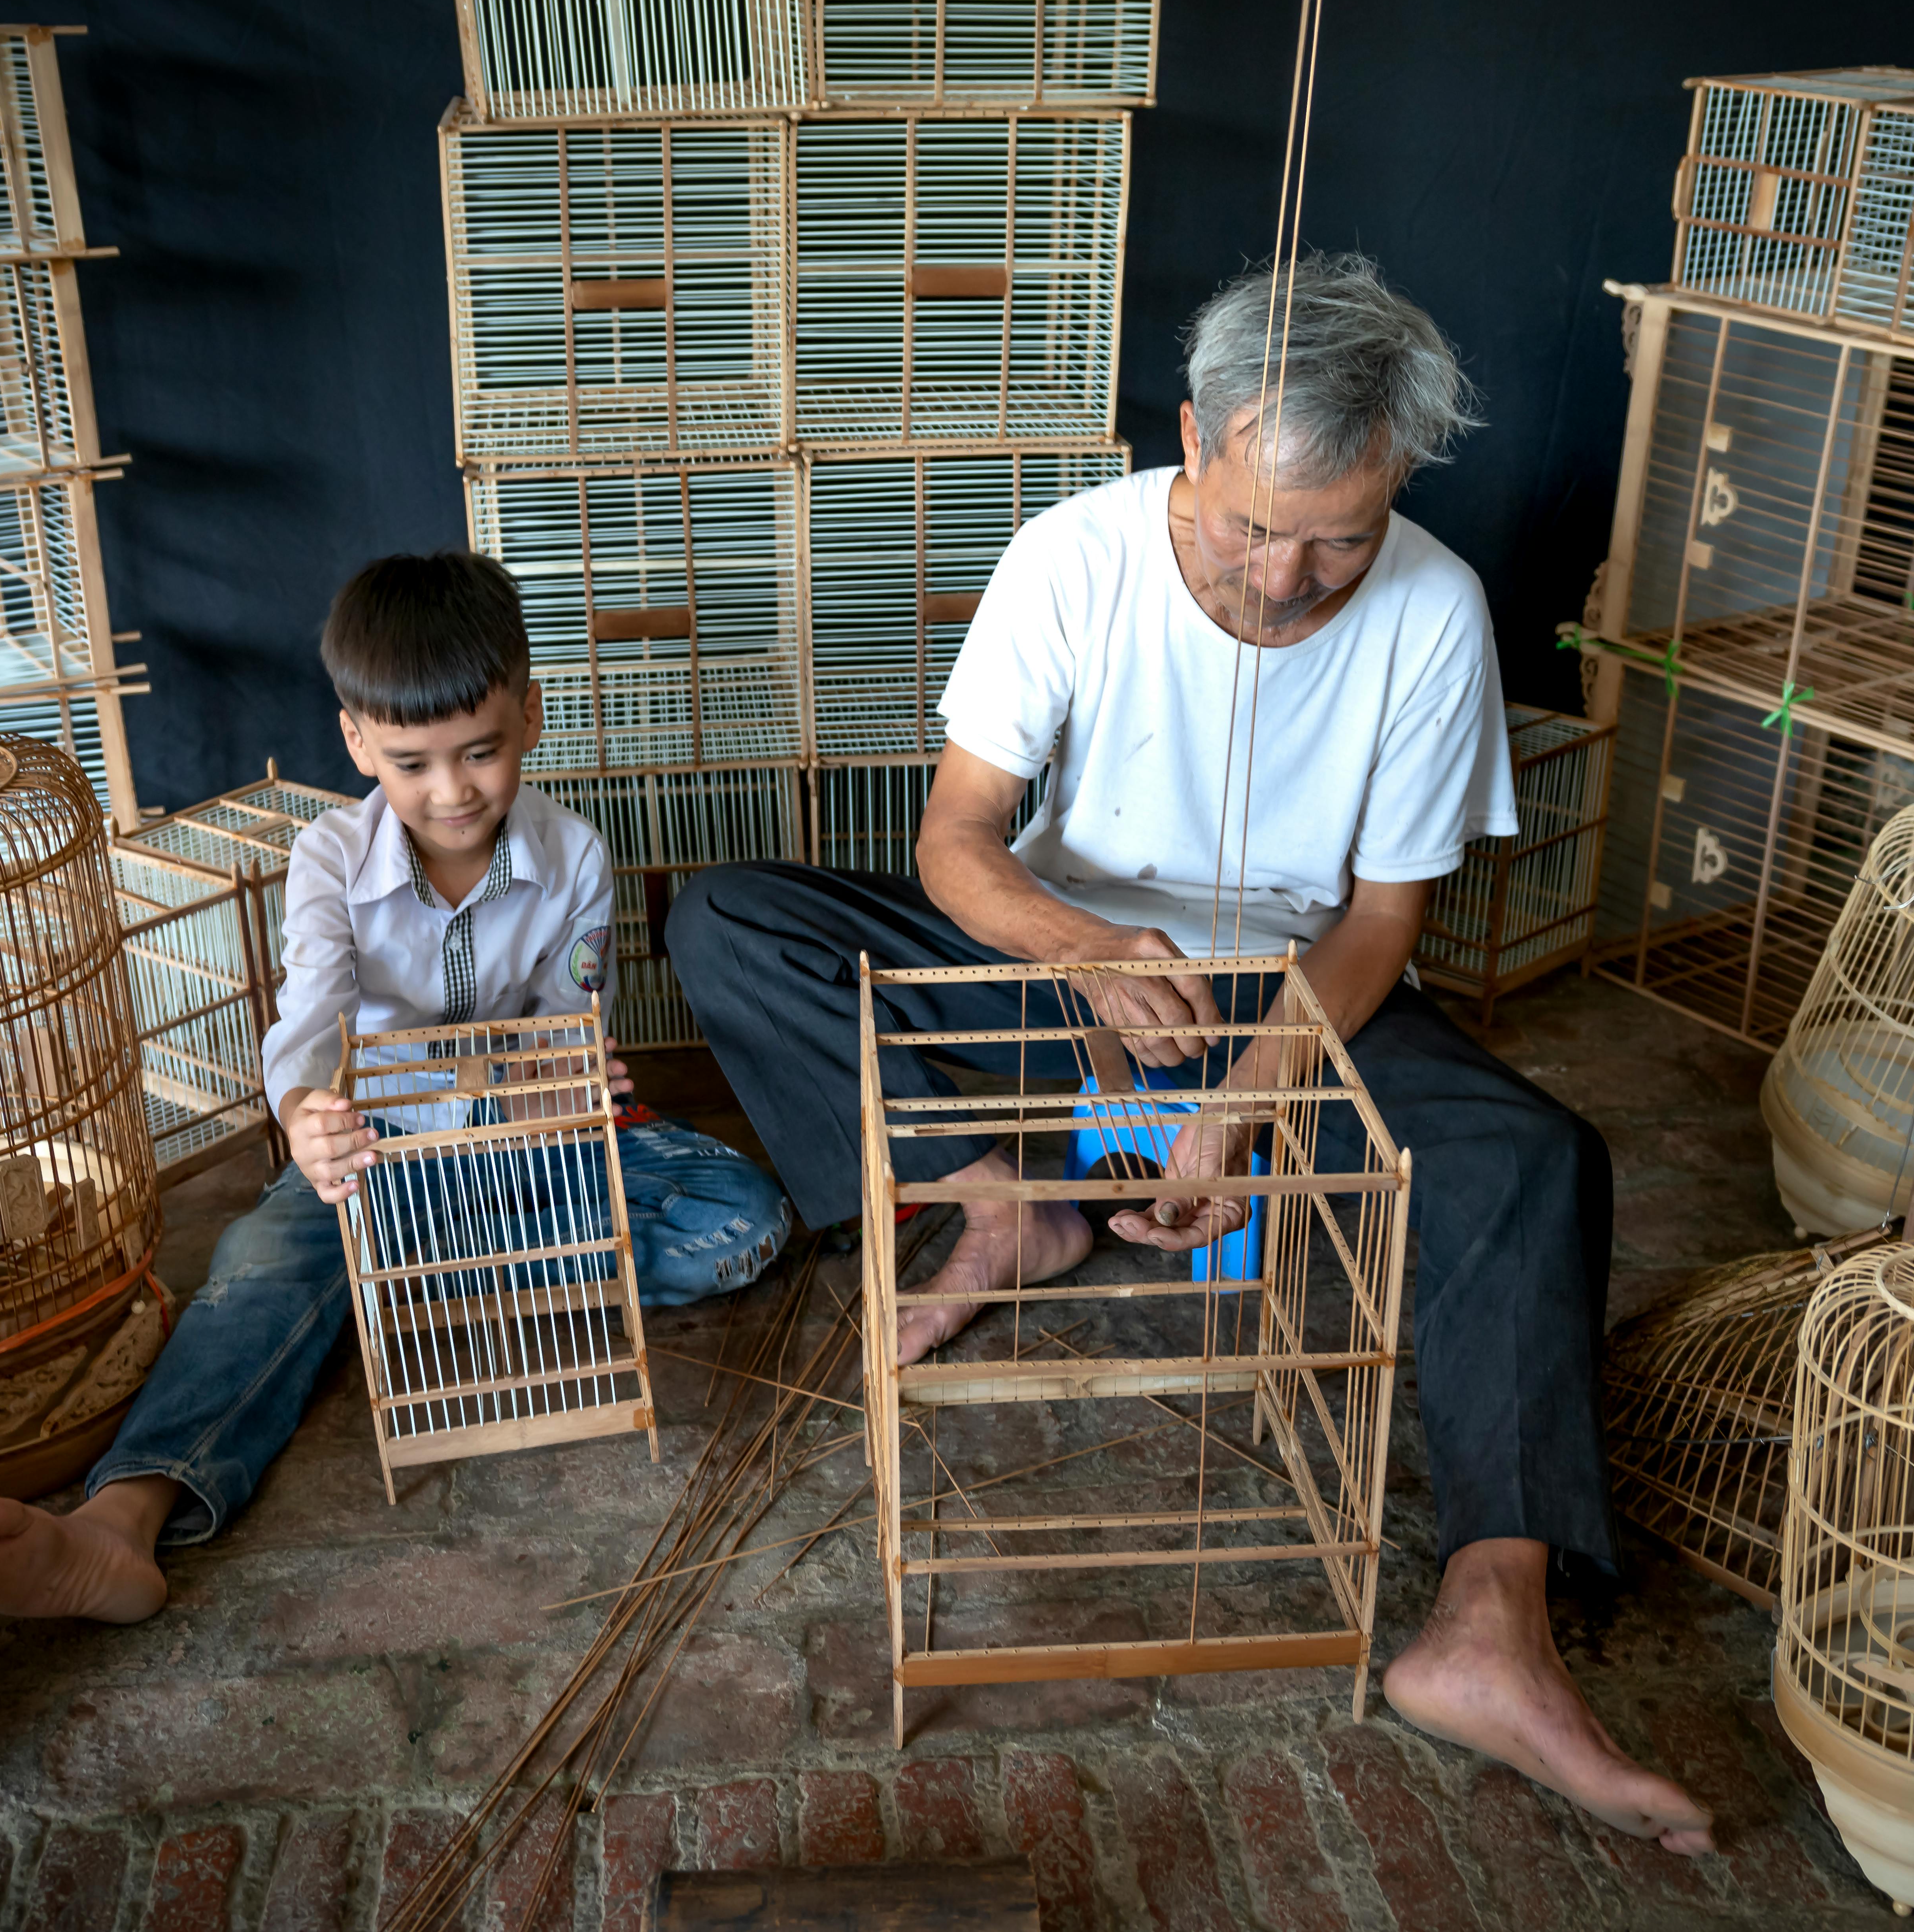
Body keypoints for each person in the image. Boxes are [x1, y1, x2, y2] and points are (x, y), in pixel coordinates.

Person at [664, 253, 1712, 1855]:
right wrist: (1077, 950)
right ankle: (1002, 1195)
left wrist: (1246, 1092)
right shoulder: (1071, 554)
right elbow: (954, 844)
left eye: (1337, 539)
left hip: (1285, 997)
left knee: (1532, 1156)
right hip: (1062, 960)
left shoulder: (1433, 609)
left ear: (1395, 495)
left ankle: (1488, 1626)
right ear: (1194, 436)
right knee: (736, 920)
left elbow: (1376, 928)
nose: (1287, 579)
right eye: (1250, 529)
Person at [0, 551, 793, 1622]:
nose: (452, 792)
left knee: (743, 1218)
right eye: (412, 763)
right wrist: (308, 1119)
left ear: (531, 718)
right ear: (358, 741)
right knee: (258, 1263)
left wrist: (561, 1075)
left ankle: (391, 1277)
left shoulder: (576, 854)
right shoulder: (326, 861)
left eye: (482, 753)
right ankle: (121, 1521)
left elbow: (571, 1021)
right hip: (378, 1146)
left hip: (525, 1144)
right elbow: (309, 1026)